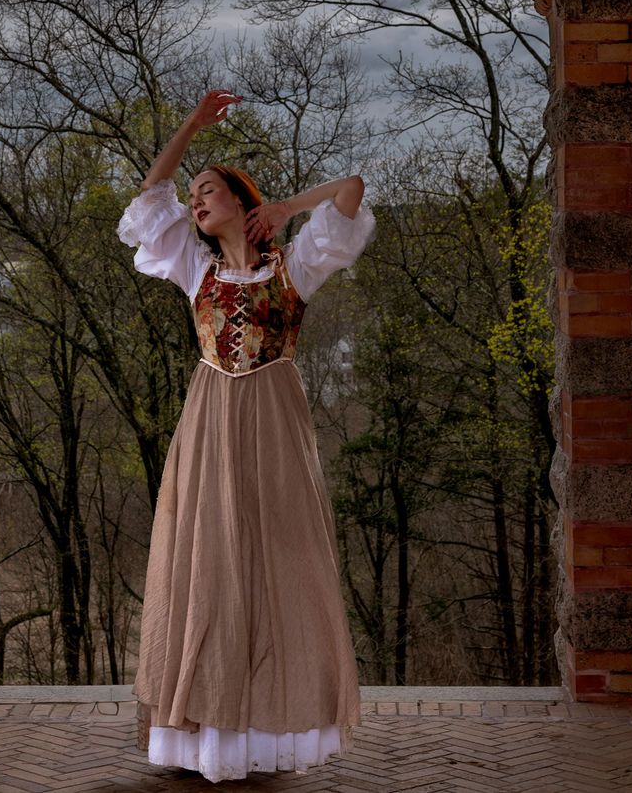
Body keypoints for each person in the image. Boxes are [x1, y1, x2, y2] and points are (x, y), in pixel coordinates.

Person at [117, 88, 375, 783]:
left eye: (210, 190)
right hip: (210, 421)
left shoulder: (295, 267)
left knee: (279, 562)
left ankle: (266, 728)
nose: (196, 201)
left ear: (240, 199)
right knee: (209, 565)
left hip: (277, 422)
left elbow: (351, 188)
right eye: (194, 195)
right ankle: (204, 732)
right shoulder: (194, 269)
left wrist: (289, 208)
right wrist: (191, 124)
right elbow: (152, 193)